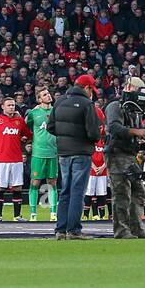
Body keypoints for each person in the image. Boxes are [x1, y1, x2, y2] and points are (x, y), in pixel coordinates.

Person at [49, 75, 103, 239]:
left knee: (65, 191)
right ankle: (73, 230)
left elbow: (51, 127)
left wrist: (65, 137)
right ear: (86, 88)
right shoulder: (87, 104)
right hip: (81, 152)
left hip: (64, 153)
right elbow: (94, 133)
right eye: (91, 90)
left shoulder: (59, 101)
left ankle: (60, 229)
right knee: (77, 191)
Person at [104, 74, 145, 239]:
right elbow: (114, 128)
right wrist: (137, 132)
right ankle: (122, 230)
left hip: (130, 154)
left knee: (138, 192)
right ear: (129, 88)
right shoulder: (115, 106)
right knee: (121, 192)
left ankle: (136, 228)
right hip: (116, 152)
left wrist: (144, 139)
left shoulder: (135, 110)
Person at [0, 97, 30, 221]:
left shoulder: (19, 121)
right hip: (2, 160)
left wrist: (24, 139)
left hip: (16, 159)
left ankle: (17, 216)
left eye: (13, 105)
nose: (11, 107)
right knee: (0, 188)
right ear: (3, 107)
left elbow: (28, 134)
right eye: (9, 105)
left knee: (17, 187)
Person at [25, 88, 58, 221]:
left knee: (52, 183)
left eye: (49, 93)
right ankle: (33, 213)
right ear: (39, 99)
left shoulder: (56, 111)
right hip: (38, 152)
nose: (48, 96)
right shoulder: (34, 113)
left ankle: (53, 213)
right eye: (45, 95)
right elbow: (26, 128)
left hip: (53, 152)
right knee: (35, 182)